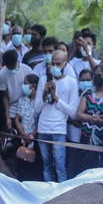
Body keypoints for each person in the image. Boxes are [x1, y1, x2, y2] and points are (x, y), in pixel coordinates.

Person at [32, 45, 78, 181]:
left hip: (59, 129)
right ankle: (47, 193)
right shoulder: (43, 80)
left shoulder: (71, 82)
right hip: (43, 128)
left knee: (60, 165)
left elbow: (73, 112)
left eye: (58, 64)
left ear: (65, 64)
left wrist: (57, 99)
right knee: (46, 165)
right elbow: (37, 108)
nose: (55, 66)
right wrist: (45, 94)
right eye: (53, 63)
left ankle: (61, 196)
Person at [76, 66, 103, 171]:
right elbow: (79, 113)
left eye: (99, 75)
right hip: (86, 137)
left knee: (101, 169)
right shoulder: (88, 92)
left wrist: (102, 121)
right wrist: (92, 118)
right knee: (85, 168)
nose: (97, 78)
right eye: (94, 76)